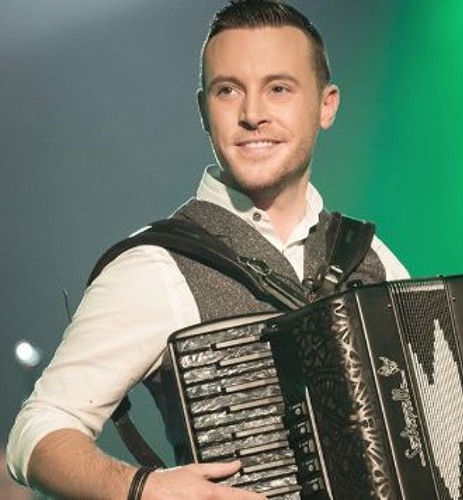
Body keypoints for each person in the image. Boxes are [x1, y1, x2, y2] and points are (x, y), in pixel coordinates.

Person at [7, 1, 409, 498]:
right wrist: (146, 489)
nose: (252, 114)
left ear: (326, 106)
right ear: (204, 110)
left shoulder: (372, 258)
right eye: (228, 91)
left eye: (278, 89)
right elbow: (36, 431)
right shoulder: (155, 266)